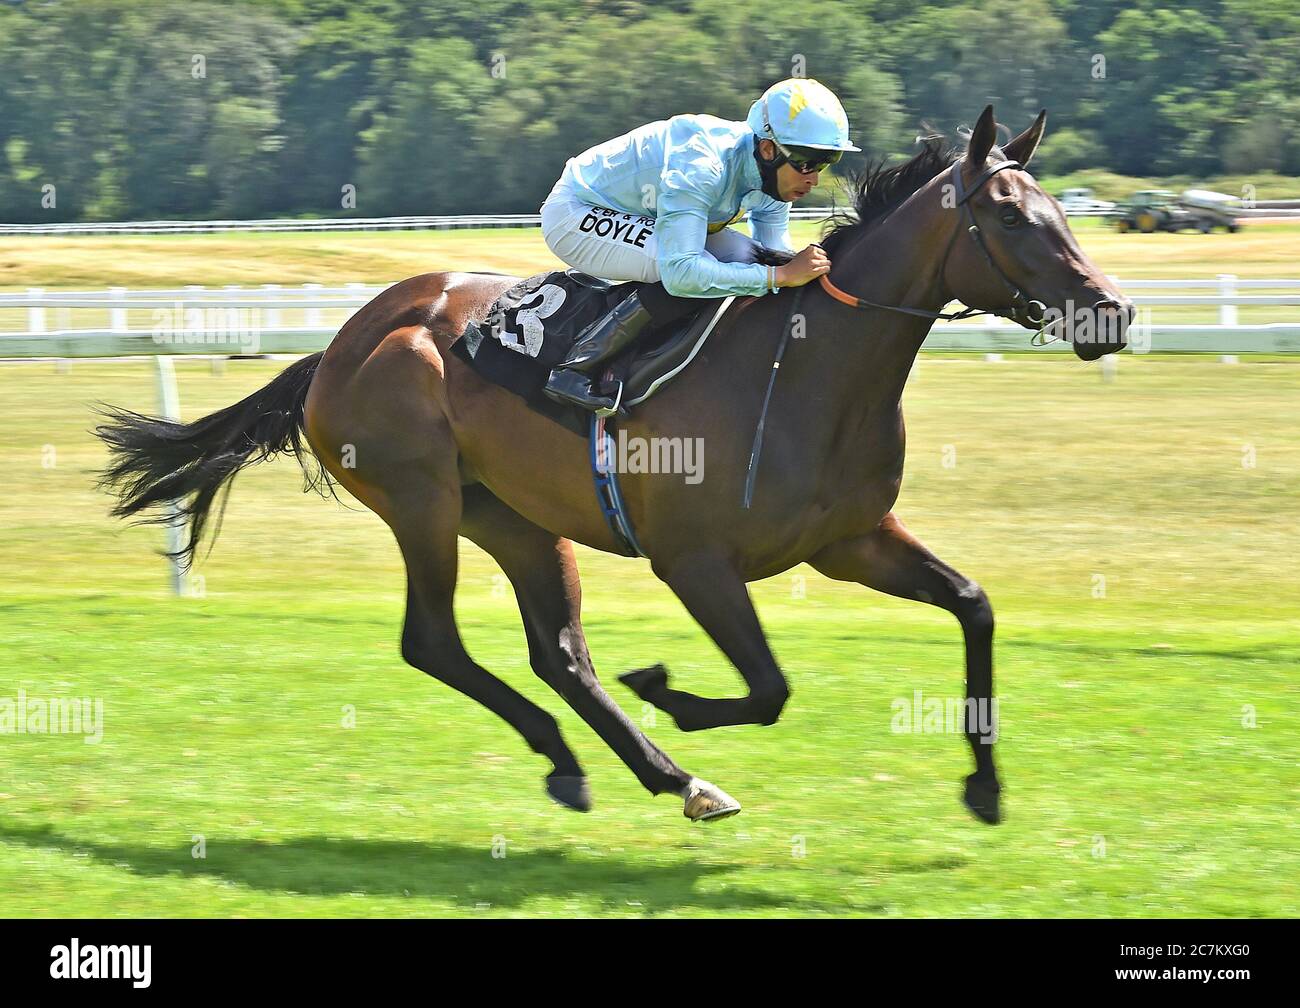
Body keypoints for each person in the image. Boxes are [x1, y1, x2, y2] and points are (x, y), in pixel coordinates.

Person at [539, 77, 860, 413]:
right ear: (768, 149)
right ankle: (577, 367)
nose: (814, 178)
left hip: (635, 212)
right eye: (807, 162)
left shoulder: (775, 177)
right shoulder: (703, 166)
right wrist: (778, 277)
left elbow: (772, 257)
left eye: (826, 162)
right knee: (687, 266)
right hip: (575, 213)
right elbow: (682, 273)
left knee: (744, 257)